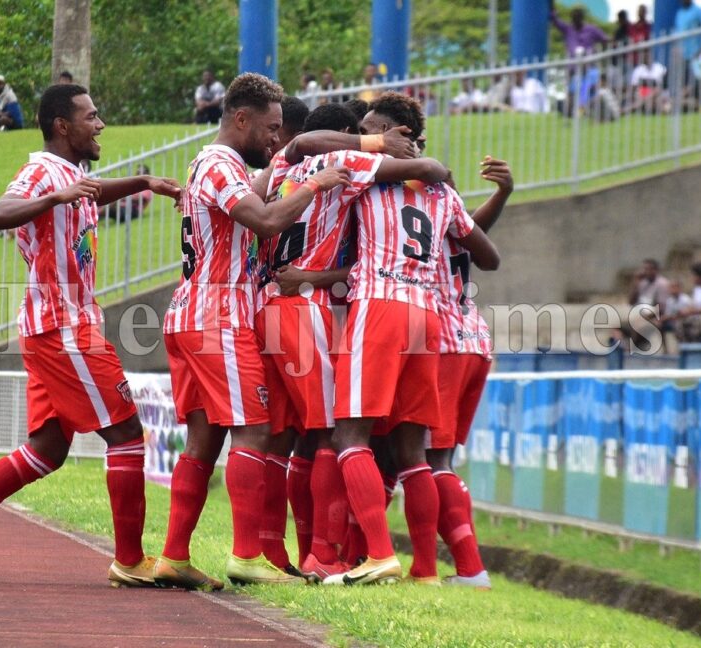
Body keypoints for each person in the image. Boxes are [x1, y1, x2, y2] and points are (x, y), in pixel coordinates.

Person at [0, 83, 182, 586]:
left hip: (55, 326)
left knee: (47, 450)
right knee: (124, 435)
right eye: (91, 116)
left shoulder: (71, 174)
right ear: (63, 125)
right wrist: (56, 195)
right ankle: (130, 561)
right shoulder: (43, 171)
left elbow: (90, 193)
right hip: (64, 329)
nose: (100, 124)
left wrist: (144, 180)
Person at [156, 72, 351, 590]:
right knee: (255, 429)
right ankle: (247, 556)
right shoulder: (220, 162)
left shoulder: (218, 165)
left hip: (192, 311)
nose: (274, 138)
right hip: (218, 313)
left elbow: (252, 202)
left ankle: (174, 555)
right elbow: (264, 221)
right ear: (240, 119)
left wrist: (285, 169)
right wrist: (315, 184)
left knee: (203, 440)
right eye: (269, 127)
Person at [254, 102, 449, 581]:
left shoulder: (282, 165)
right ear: (345, 135)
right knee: (333, 436)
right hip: (315, 308)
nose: (363, 136)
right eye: (357, 131)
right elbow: (432, 173)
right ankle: (326, 555)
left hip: (269, 305)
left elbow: (292, 153)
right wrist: (387, 146)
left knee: (283, 440)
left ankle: (270, 552)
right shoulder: (354, 163)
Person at [323, 92, 500, 586]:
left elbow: (308, 149)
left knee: (350, 435)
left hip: (380, 305)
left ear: (402, 135)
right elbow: (488, 258)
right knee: (413, 451)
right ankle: (425, 570)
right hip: (430, 316)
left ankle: (379, 555)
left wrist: (380, 150)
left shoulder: (367, 172)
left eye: (377, 128)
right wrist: (434, 172)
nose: (368, 136)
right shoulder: (441, 192)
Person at [427, 152, 511, 590]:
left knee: (425, 457)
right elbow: (478, 239)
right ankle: (466, 568)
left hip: (439, 344)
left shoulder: (416, 213)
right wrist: (503, 194)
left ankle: (470, 568)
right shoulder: (452, 218)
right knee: (434, 458)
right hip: (473, 341)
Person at [674, 0, 701, 113]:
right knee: (684, 82)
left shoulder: (699, 11)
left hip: (697, 54)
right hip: (683, 55)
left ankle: (698, 107)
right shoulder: (679, 13)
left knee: (696, 82)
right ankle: (687, 107)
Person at [626, 48, 670, 115]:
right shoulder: (638, 70)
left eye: (648, 55)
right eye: (645, 55)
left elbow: (663, 85)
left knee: (657, 97)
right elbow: (634, 86)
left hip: (657, 93)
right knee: (643, 97)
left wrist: (652, 93)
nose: (647, 57)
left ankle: (634, 107)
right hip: (642, 92)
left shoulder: (660, 67)